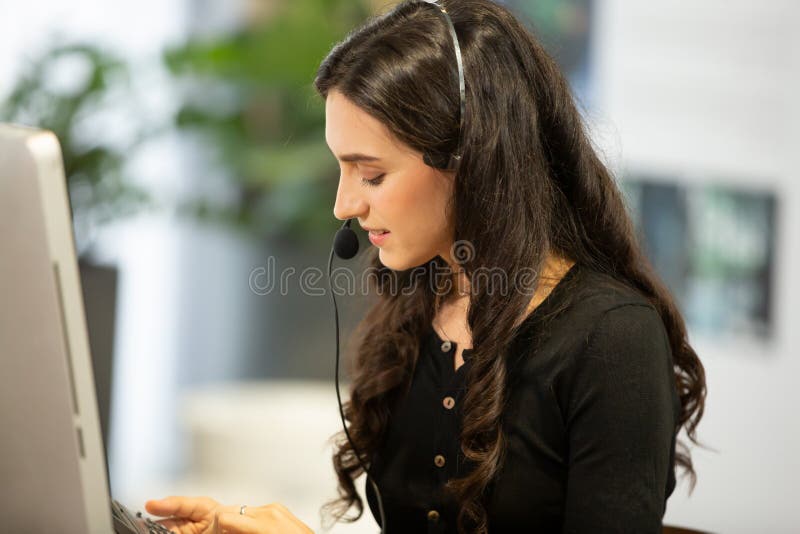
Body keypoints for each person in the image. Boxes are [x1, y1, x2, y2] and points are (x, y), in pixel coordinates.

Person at [146, 0, 707, 532]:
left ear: (469, 157)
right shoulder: (412, 311)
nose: (344, 206)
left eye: (371, 174)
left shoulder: (613, 341)